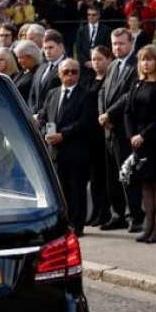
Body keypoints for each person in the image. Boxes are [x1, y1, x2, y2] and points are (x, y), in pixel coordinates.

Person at [98, 28, 144, 232]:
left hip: (124, 127)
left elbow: (129, 95)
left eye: (121, 44)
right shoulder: (113, 65)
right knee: (111, 177)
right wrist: (102, 114)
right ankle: (118, 214)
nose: (117, 48)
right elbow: (102, 91)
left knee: (128, 175)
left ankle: (135, 215)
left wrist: (110, 114)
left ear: (131, 43)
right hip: (108, 129)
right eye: (114, 44)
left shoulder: (136, 65)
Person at [125, 45, 156, 242]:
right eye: (143, 60)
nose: (146, 63)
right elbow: (128, 111)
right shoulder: (137, 83)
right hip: (138, 142)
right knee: (145, 184)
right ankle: (148, 225)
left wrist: (143, 135)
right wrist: (131, 136)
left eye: (150, 59)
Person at [43, 59, 94, 236]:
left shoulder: (86, 94)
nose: (71, 75)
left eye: (74, 72)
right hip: (55, 152)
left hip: (76, 151)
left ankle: (78, 225)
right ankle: (63, 223)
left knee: (77, 190)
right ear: (59, 74)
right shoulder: (52, 93)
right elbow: (44, 116)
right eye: (66, 72)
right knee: (60, 190)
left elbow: (84, 122)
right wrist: (45, 133)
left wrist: (62, 135)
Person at [86, 45, 113, 226]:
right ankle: (95, 211)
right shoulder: (89, 79)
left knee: (105, 177)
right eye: (94, 59)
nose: (96, 63)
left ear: (108, 60)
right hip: (91, 134)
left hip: (104, 131)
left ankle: (105, 212)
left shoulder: (110, 79)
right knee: (95, 178)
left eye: (100, 59)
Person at [27, 29, 67, 118]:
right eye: (45, 48)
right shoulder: (41, 68)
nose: (47, 51)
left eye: (50, 47)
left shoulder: (68, 68)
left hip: (54, 118)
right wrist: (32, 113)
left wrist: (40, 115)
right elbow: (32, 94)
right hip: (35, 119)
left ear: (60, 47)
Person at [74, 6, 111, 70]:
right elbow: (78, 49)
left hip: (101, 64)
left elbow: (108, 47)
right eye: (89, 15)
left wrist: (97, 61)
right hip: (85, 65)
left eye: (94, 15)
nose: (91, 17)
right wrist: (85, 62)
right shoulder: (82, 30)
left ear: (99, 16)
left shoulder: (106, 30)